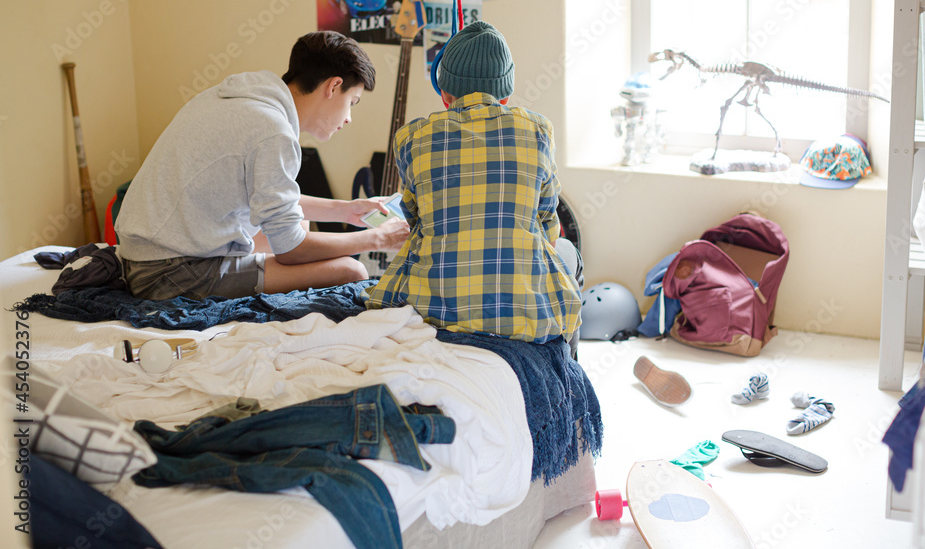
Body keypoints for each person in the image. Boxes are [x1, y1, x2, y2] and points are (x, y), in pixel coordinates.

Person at [115, 31, 410, 300]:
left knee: (298, 224)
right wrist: (378, 238)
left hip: (146, 253)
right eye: (352, 102)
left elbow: (270, 201)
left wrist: (344, 209)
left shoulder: (245, 98)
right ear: (333, 87)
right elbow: (291, 250)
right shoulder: (274, 132)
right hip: (166, 273)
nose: (348, 118)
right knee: (351, 272)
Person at [365, 21, 582, 348]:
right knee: (567, 254)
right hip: (526, 316)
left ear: (445, 94)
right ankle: (568, 363)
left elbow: (415, 219)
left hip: (432, 310)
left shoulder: (411, 137)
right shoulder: (538, 130)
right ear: (505, 96)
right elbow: (548, 218)